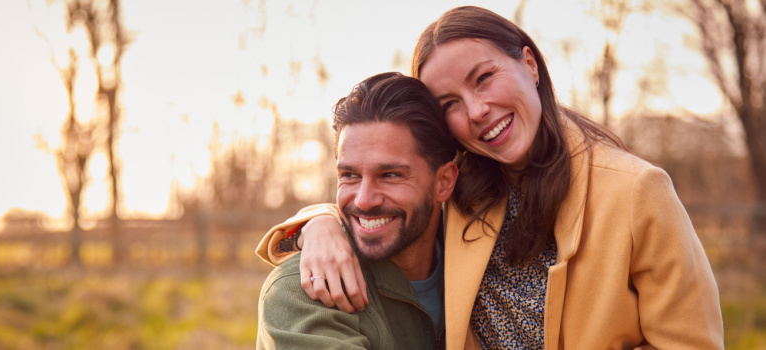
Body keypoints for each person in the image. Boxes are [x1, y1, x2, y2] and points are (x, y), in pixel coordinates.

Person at [257, 6, 724, 350]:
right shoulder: (463, 189)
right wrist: (321, 223)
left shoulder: (636, 192)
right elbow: (380, 193)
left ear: (529, 64)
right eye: (450, 104)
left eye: (483, 78)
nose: (477, 111)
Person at [256, 72, 457, 349]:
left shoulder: (486, 266)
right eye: (349, 175)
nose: (364, 200)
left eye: (390, 175)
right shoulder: (303, 288)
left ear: (443, 182)